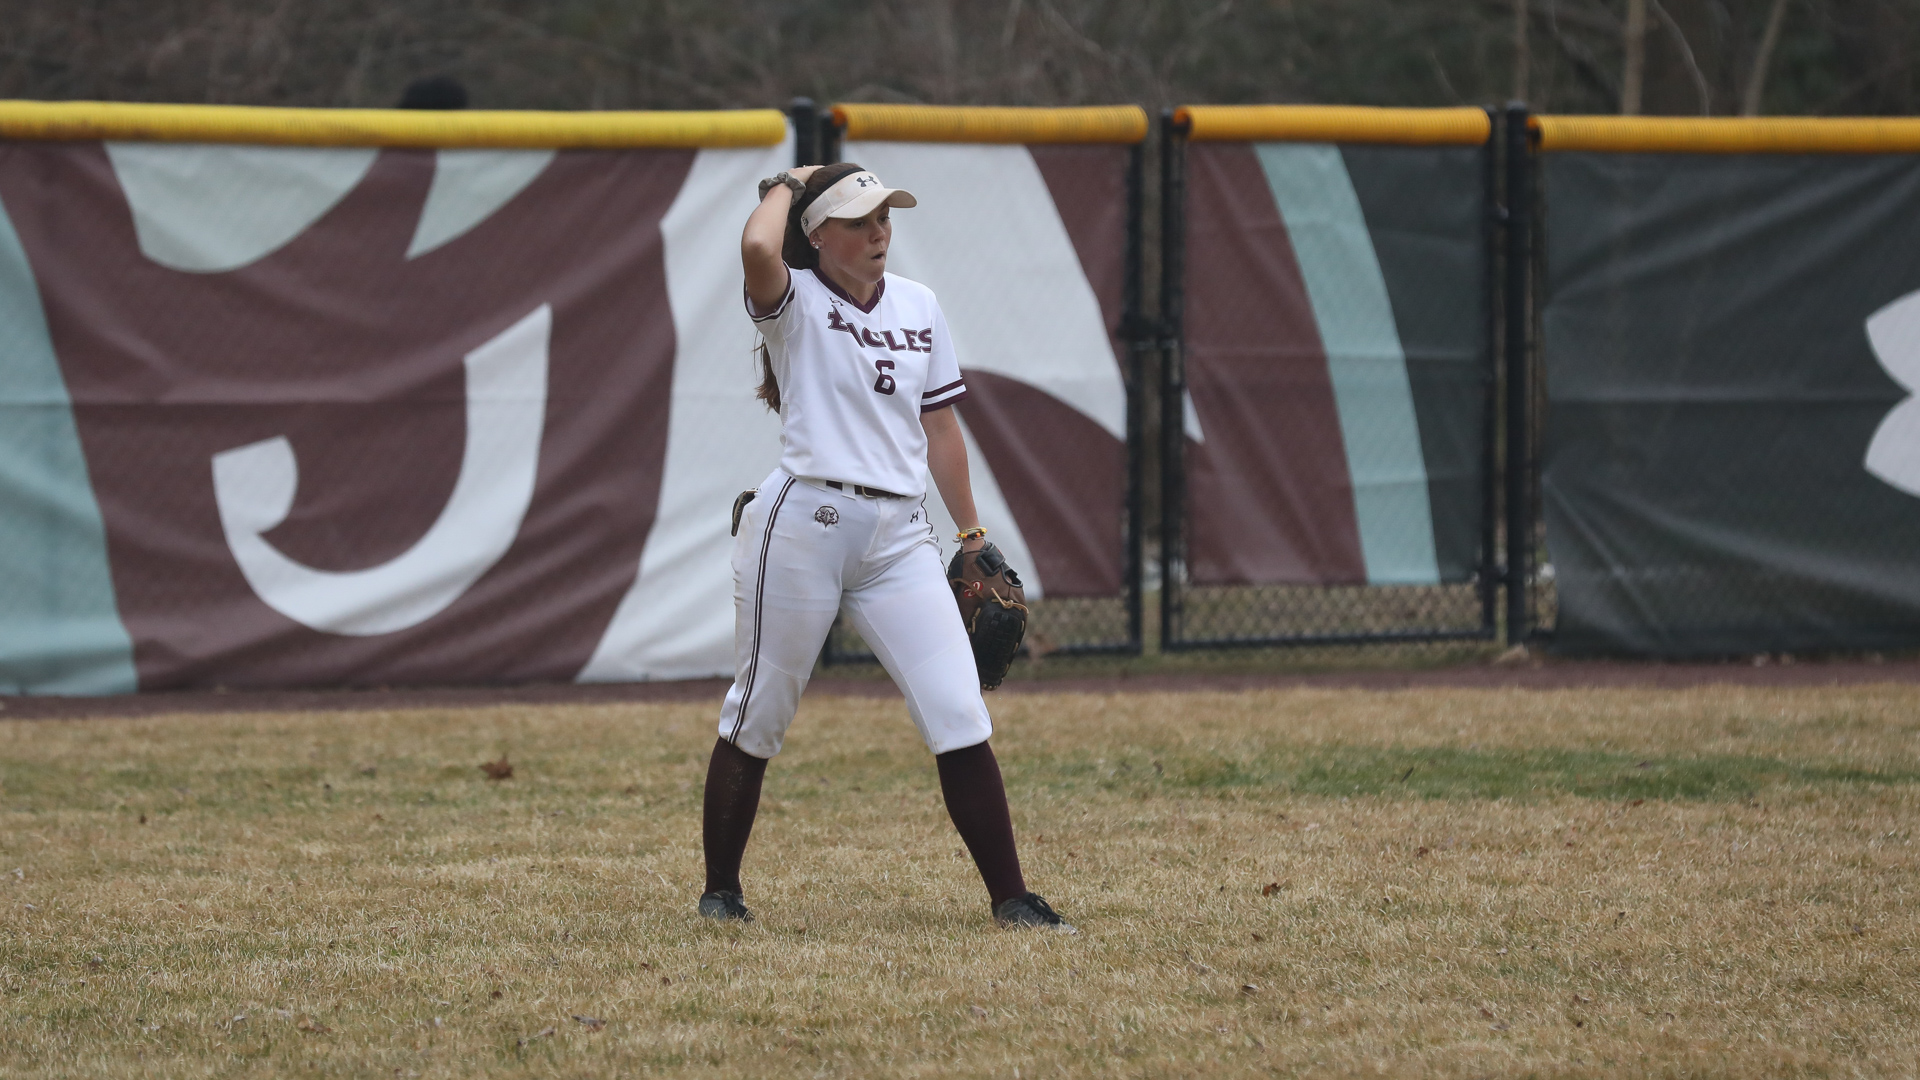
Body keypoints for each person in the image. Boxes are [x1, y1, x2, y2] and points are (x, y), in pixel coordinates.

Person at [699, 161, 1070, 931]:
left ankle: (1012, 898)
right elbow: (759, 251)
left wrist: (972, 534)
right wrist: (783, 184)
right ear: (818, 234)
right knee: (760, 713)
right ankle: (721, 891)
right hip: (805, 525)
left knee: (958, 711)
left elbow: (940, 428)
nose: (879, 233)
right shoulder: (793, 301)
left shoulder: (919, 304)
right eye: (861, 220)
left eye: (886, 218)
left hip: (899, 536)